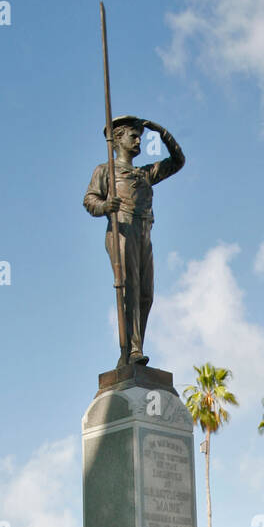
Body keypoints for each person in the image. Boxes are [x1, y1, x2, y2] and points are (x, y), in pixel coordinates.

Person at [84, 116, 185, 366]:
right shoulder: (105, 170)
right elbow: (89, 200)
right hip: (122, 229)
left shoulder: (145, 173)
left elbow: (178, 161)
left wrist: (162, 132)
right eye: (134, 135)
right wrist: (106, 205)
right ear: (118, 139)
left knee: (146, 294)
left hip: (144, 231)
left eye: (140, 135)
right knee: (129, 287)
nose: (139, 140)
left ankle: (134, 348)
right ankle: (131, 350)